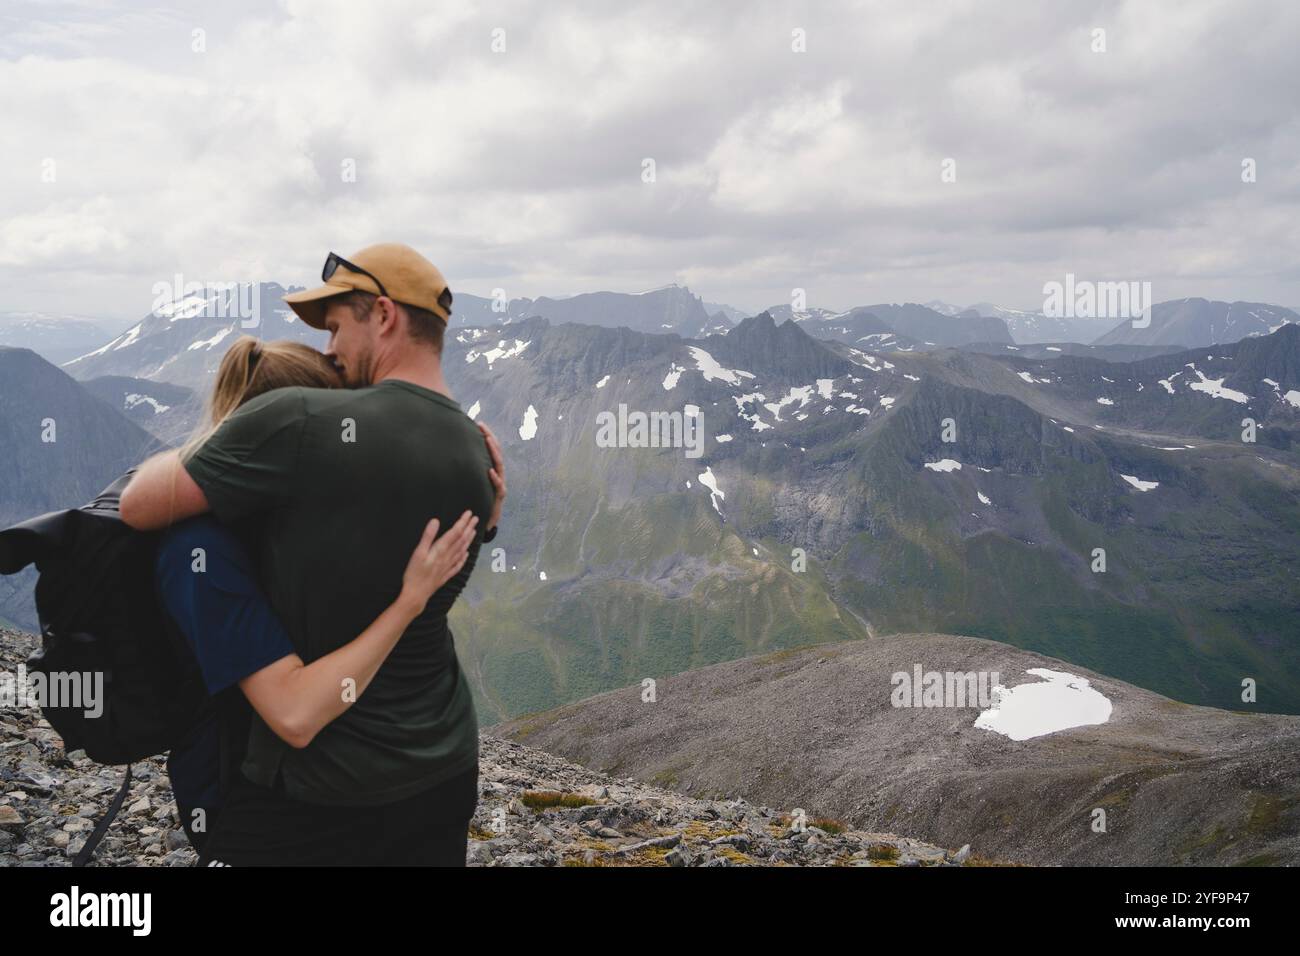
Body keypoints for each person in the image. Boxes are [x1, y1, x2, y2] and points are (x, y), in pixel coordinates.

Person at [121, 243, 505, 865]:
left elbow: (141, 504)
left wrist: (221, 442)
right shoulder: (477, 450)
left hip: (322, 790)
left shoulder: (300, 419)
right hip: (444, 768)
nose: (329, 350)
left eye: (334, 328)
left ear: (382, 315)